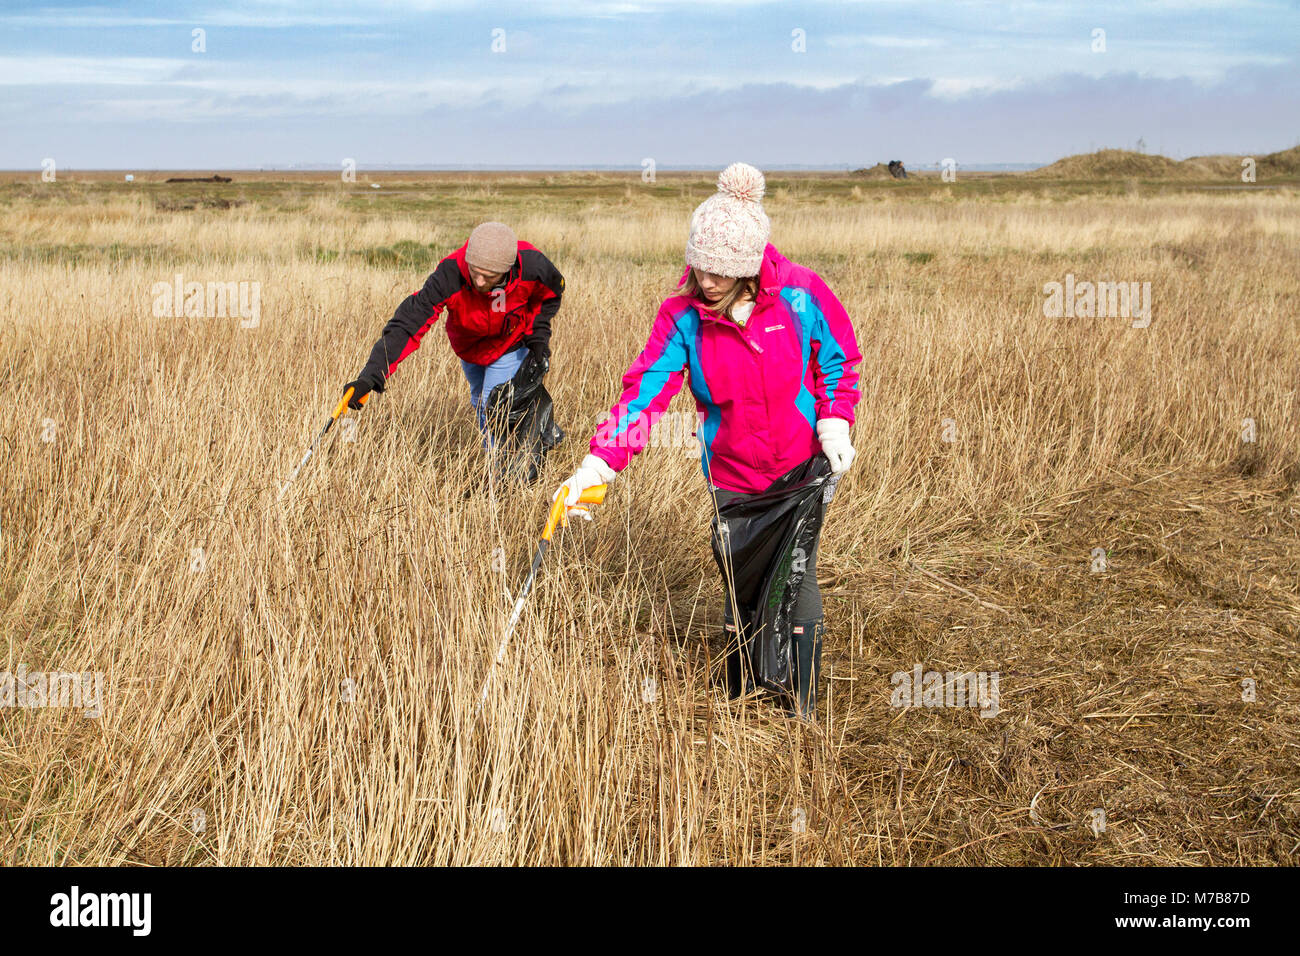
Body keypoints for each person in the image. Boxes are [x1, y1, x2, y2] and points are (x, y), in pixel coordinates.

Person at [556, 162, 862, 718]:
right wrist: (597, 466)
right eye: (700, 267)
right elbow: (645, 393)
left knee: (797, 579)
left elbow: (840, 360)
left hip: (800, 470)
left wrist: (835, 422)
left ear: (749, 267)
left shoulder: (800, 294)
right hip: (733, 480)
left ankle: (802, 705)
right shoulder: (681, 318)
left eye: (721, 271)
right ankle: (745, 694)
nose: (708, 280)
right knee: (739, 579)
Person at [342, 221, 565, 454]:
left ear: (508, 269)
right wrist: (371, 376)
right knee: (481, 404)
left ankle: (502, 474)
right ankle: (516, 450)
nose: (479, 282)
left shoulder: (532, 265)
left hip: (509, 343)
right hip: (469, 349)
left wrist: (538, 335)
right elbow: (408, 324)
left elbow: (550, 294)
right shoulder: (449, 274)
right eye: (475, 272)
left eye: (488, 276)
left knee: (495, 406)